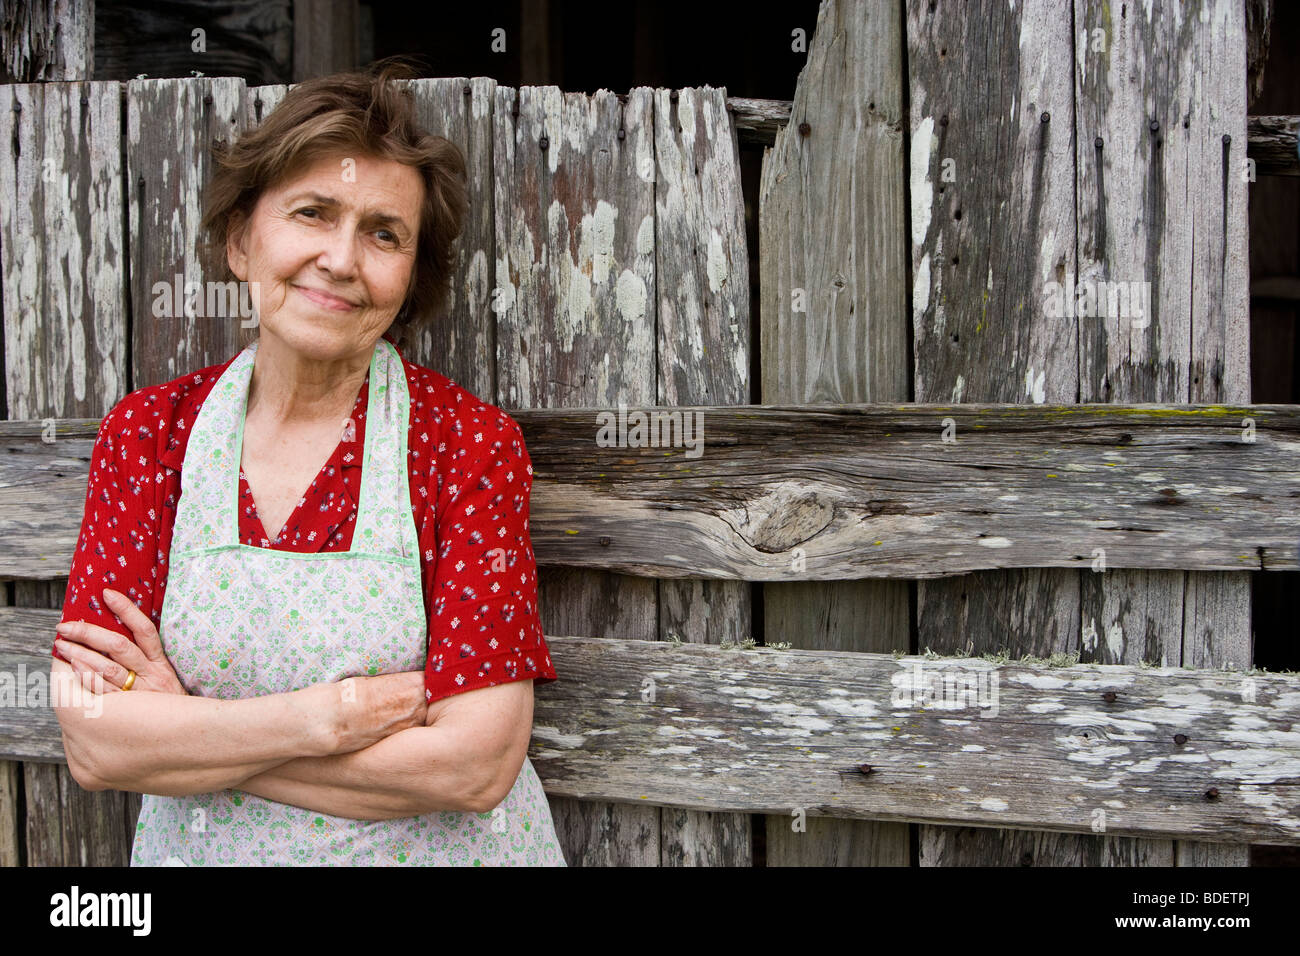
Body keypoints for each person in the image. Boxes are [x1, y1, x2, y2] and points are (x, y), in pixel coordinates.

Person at [49, 58, 566, 866]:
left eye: (382, 233)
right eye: (312, 213)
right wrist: (329, 716)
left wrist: (188, 731)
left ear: (410, 276)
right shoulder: (150, 437)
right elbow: (97, 742)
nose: (341, 259)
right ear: (241, 242)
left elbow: (474, 764)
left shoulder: (467, 445)